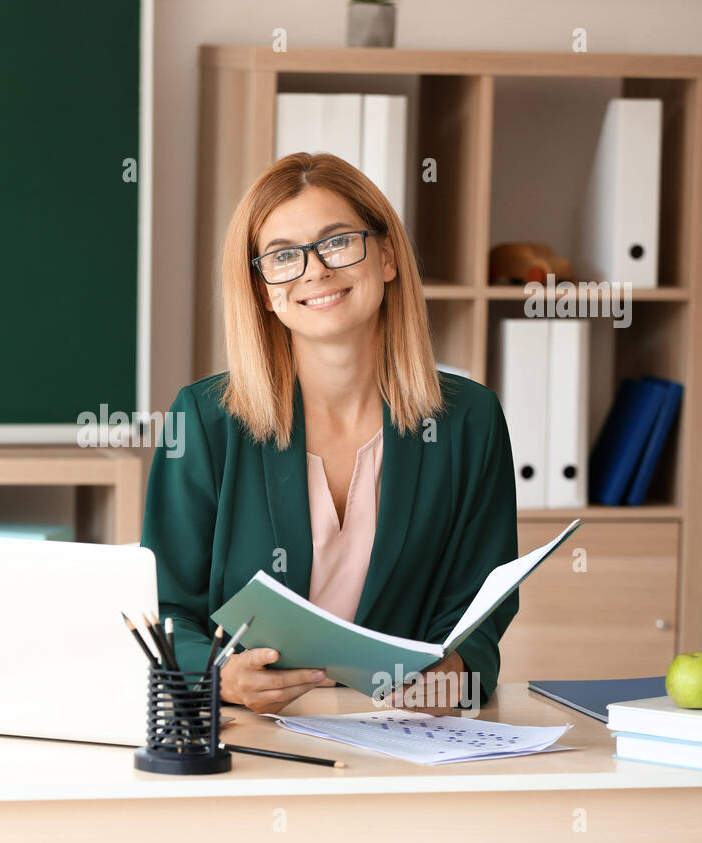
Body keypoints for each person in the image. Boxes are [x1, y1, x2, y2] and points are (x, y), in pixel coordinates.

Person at [141, 152, 518, 716]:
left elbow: (479, 607)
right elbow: (166, 608)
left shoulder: (470, 420)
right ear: (263, 287)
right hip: (252, 735)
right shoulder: (204, 420)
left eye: (337, 241)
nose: (314, 270)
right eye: (283, 256)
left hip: (401, 734)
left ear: (387, 256)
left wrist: (457, 670)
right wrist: (218, 677)